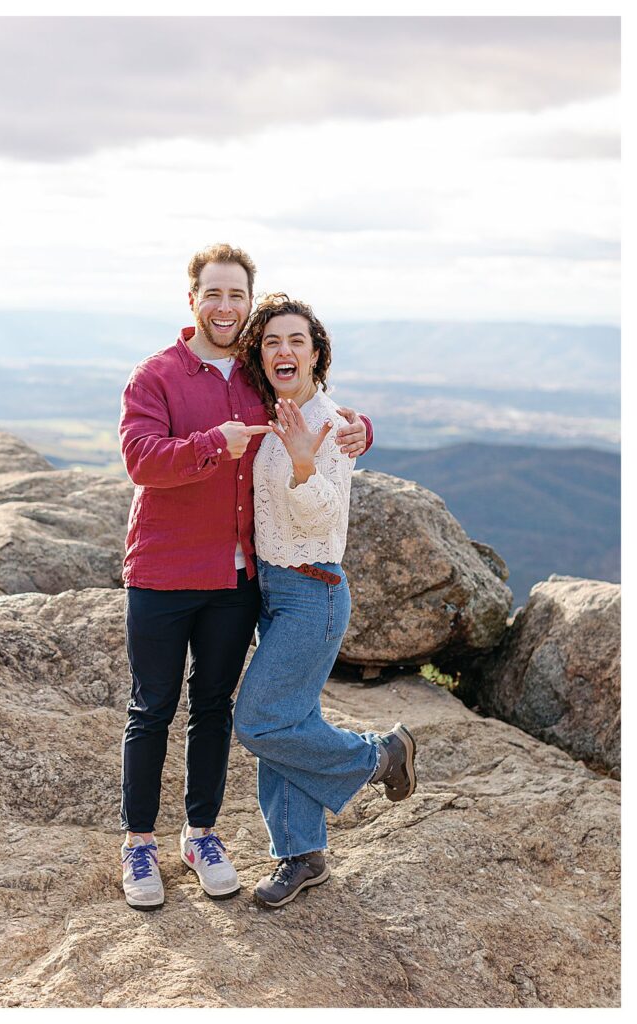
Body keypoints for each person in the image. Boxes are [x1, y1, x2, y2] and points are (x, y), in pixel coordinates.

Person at [115, 244, 373, 910]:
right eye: (214, 294)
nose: (225, 307)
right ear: (192, 298)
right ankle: (139, 844)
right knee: (152, 710)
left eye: (237, 296)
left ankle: (201, 834)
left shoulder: (259, 378)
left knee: (215, 711)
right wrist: (210, 446)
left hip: (236, 580)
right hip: (163, 571)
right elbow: (140, 459)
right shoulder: (159, 375)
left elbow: (319, 409)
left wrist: (359, 429)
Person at [231, 293, 417, 908]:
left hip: (314, 591)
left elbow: (326, 516)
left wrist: (307, 466)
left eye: (297, 341)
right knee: (290, 721)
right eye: (272, 342)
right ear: (261, 355)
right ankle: (302, 855)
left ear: (316, 354)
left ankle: (380, 757)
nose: (284, 351)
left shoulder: (332, 427)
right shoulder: (272, 412)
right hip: (274, 593)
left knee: (260, 720)